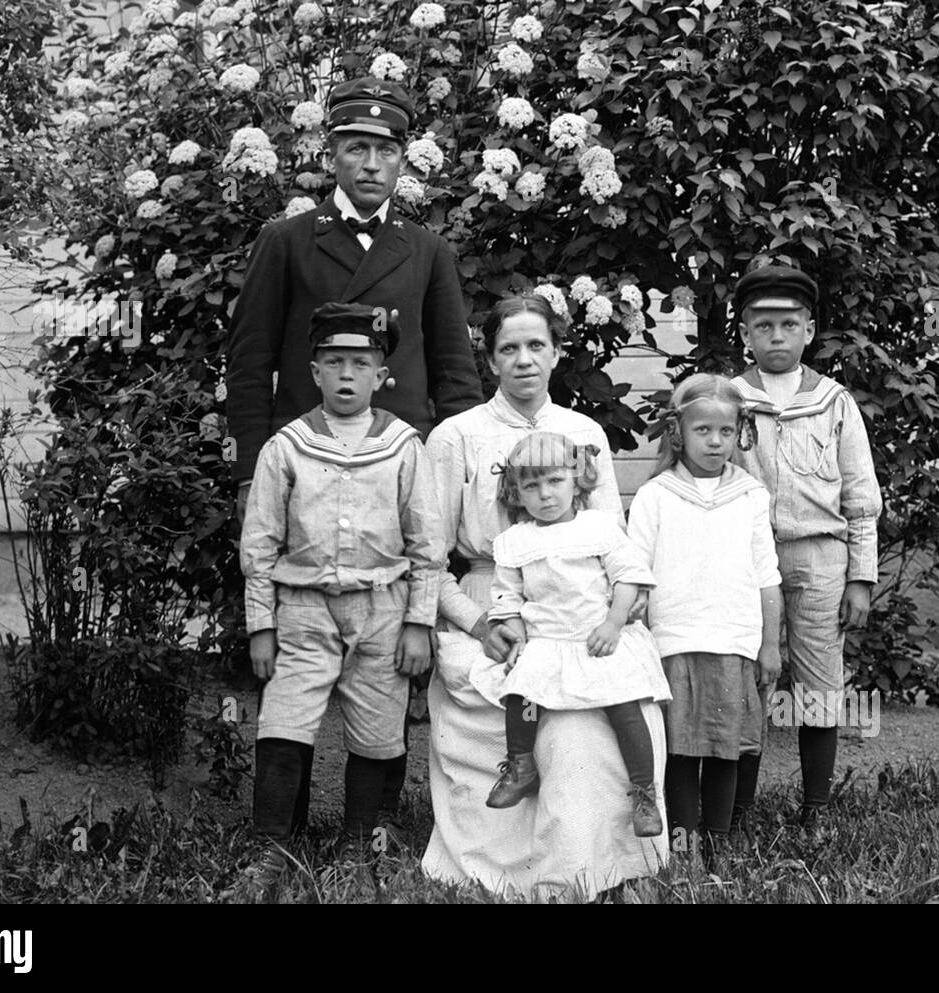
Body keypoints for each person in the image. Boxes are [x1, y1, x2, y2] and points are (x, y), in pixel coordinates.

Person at [226, 76, 483, 834]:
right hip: (303, 472)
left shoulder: (425, 249)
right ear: (331, 154)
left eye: (384, 150)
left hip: (395, 471)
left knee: (386, 662)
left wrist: (454, 474)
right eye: (355, 148)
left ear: (403, 162)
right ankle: (286, 833)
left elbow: (454, 370)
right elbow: (251, 362)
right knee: (296, 663)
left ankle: (367, 830)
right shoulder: (288, 239)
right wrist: (251, 471)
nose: (370, 163)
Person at [421, 293, 669, 898]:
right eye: (509, 348)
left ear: (558, 353)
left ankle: (608, 865)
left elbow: (614, 540)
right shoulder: (457, 437)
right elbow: (425, 562)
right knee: (536, 718)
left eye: (537, 346)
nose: (524, 360)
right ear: (490, 358)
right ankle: (514, 868)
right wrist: (479, 624)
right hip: (493, 600)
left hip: (584, 606)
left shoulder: (583, 432)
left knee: (598, 723)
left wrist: (619, 614)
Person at [238, 302, 445, 886]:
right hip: (302, 609)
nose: (347, 374)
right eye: (334, 362)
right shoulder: (288, 445)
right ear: (315, 371)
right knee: (283, 722)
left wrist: (418, 622)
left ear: (382, 374)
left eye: (360, 362)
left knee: (378, 731)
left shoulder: (404, 446)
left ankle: (358, 845)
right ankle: (271, 850)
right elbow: (259, 543)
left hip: (383, 607)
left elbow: (428, 541)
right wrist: (261, 626)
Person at [728, 265, 882, 831]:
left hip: (819, 557)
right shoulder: (730, 400)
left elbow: (861, 494)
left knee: (819, 683)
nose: (775, 336)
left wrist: (861, 576)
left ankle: (815, 808)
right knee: (746, 677)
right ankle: (736, 810)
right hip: (745, 560)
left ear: (809, 330)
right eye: (762, 325)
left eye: (788, 324)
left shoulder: (834, 402)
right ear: (745, 331)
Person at [627, 374, 782, 861]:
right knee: (681, 750)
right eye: (702, 431)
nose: (715, 442)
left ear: (741, 433)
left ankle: (721, 841)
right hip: (674, 641)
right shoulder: (655, 495)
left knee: (725, 748)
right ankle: (683, 843)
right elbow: (635, 571)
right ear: (678, 433)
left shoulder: (752, 495)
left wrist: (770, 643)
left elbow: (767, 574)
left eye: (726, 432)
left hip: (734, 640)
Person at [483, 433, 669, 838]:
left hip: (595, 637)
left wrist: (613, 623)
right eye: (531, 486)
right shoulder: (515, 542)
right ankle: (521, 766)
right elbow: (507, 597)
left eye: (554, 481)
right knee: (523, 697)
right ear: (516, 491)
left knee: (624, 707)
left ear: (576, 480)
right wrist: (514, 635)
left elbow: (628, 579)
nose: (545, 495)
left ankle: (644, 793)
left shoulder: (597, 528)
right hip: (547, 641)